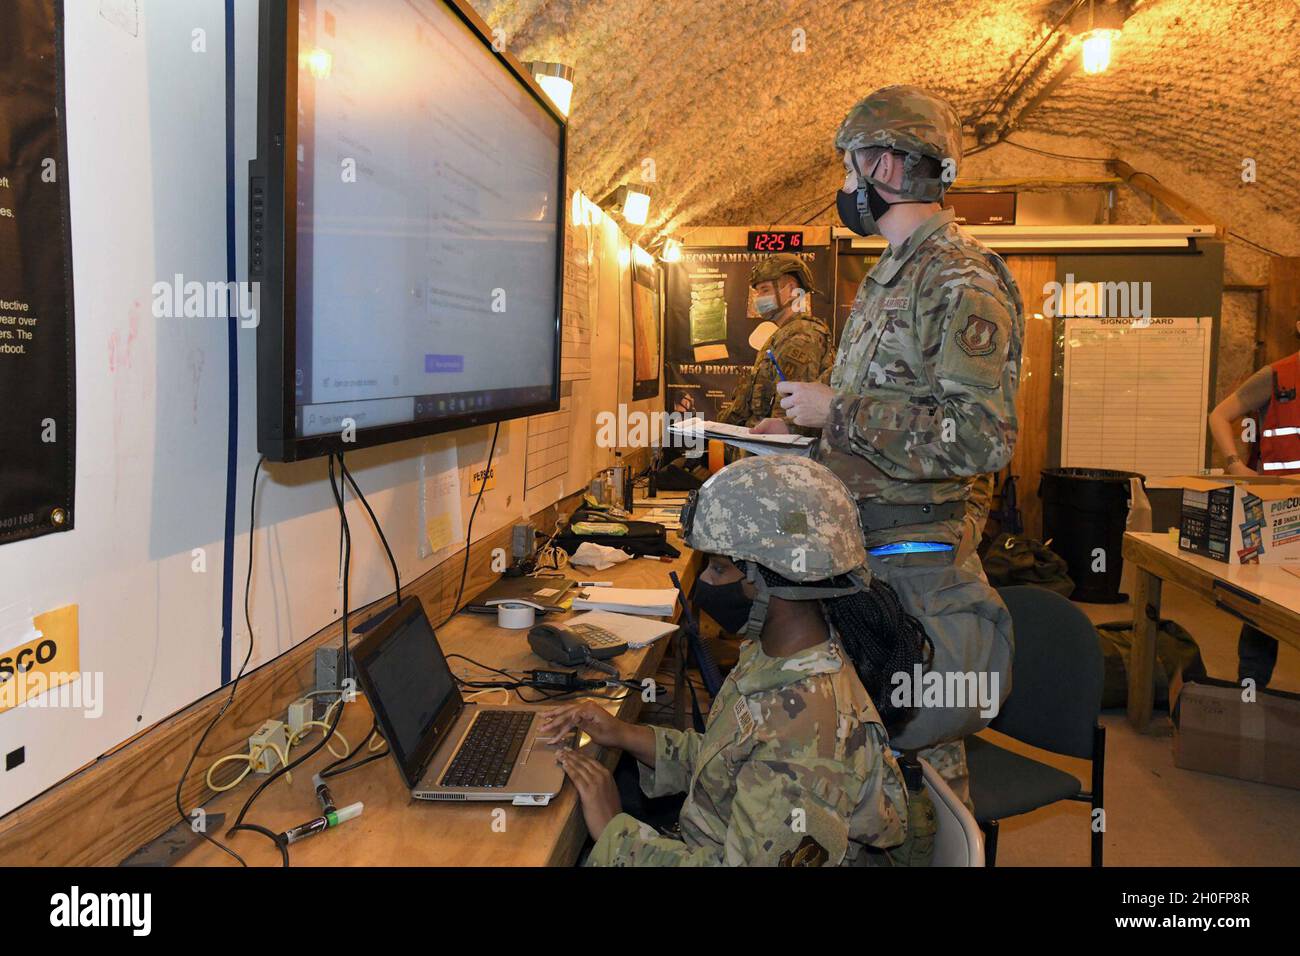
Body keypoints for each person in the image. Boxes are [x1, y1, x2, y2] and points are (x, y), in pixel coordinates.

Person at [754, 85, 1023, 805]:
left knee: (917, 783)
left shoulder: (961, 279)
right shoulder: (889, 276)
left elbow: (981, 438)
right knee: (859, 779)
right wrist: (808, 429)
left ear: (890, 167)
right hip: (863, 559)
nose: (846, 188)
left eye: (850, 169)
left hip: (913, 576)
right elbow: (890, 415)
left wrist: (837, 409)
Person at [539, 455, 934, 866]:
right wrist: (624, 734)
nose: (705, 583)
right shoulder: (780, 653)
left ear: (774, 580)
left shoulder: (806, 736)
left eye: (718, 568)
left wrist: (614, 834)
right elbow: (731, 761)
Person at [1205, 350, 1300, 688]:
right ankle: (1251, 691)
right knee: (1263, 607)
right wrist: (1234, 464)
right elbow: (1219, 415)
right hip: (1277, 510)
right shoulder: (1277, 375)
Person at [715, 253, 833, 436]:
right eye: (758, 292)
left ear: (791, 289)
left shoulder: (801, 336)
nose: (758, 298)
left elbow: (787, 418)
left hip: (773, 453)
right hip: (759, 446)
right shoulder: (783, 334)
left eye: (765, 290)